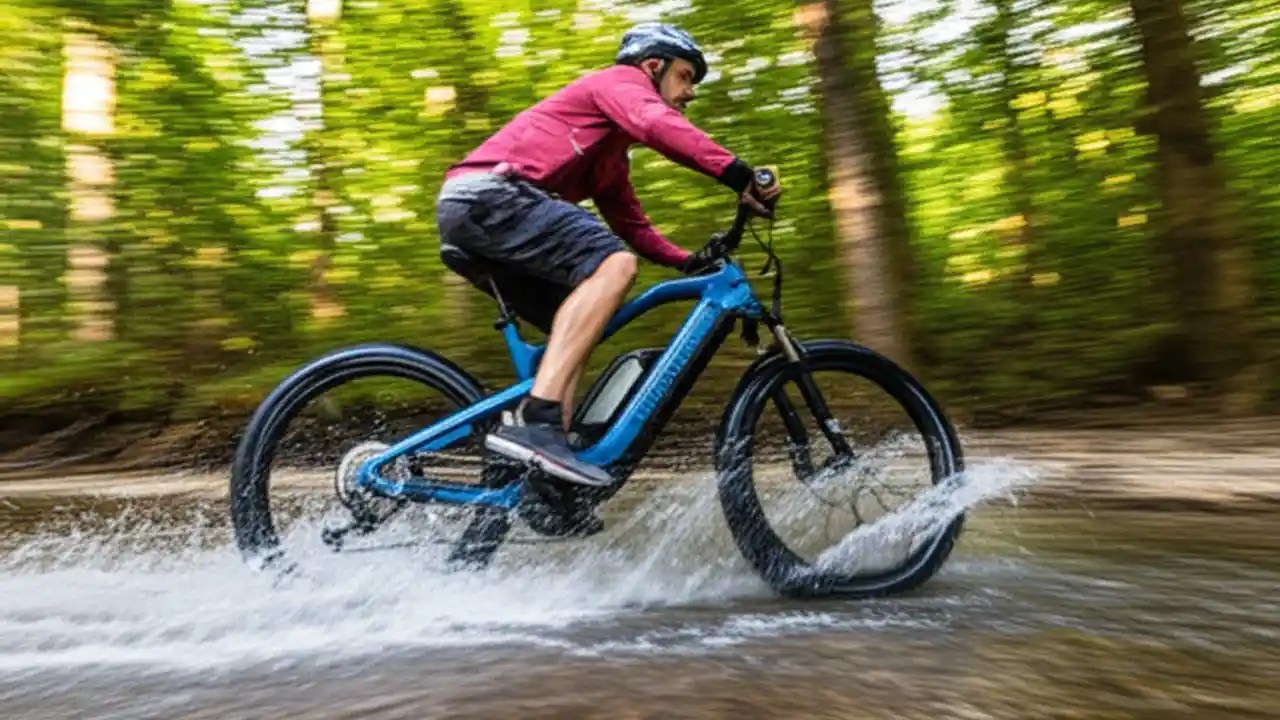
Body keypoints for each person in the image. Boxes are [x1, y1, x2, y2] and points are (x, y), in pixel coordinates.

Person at [435, 23, 781, 526]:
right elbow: (658, 125)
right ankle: (539, 422)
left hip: (479, 211)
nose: (688, 95)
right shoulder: (617, 84)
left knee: (574, 321)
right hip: (489, 196)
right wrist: (738, 173)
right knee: (614, 265)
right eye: (685, 78)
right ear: (652, 67)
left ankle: (544, 477)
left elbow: (633, 224)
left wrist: (687, 261)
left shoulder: (608, 155)